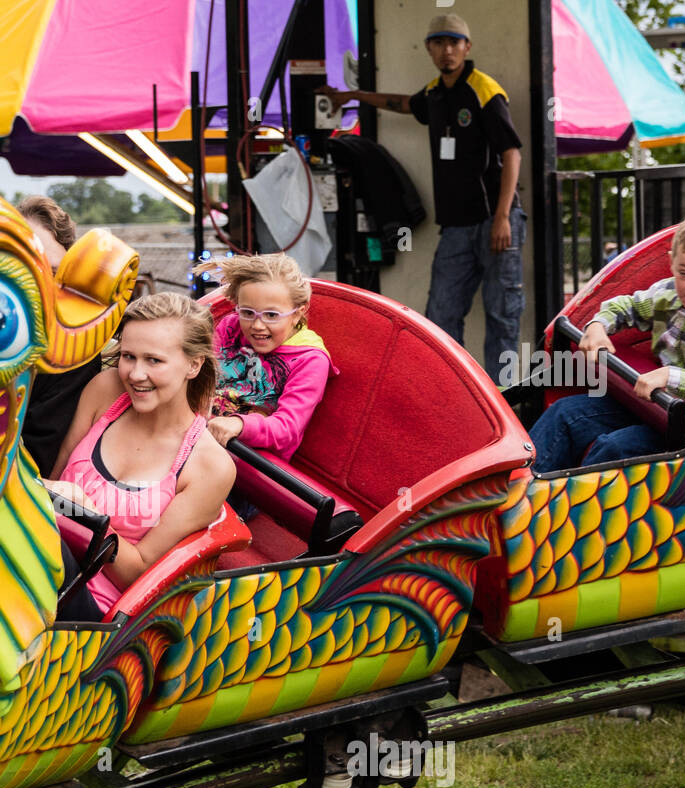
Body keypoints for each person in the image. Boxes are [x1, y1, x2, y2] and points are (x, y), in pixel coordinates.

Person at [323, 12, 525, 384]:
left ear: (467, 47)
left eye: (454, 43)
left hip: (495, 221)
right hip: (456, 226)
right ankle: (455, 393)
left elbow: (512, 152)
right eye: (439, 43)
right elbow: (403, 104)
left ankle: (507, 400)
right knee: (441, 314)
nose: (447, 50)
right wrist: (353, 95)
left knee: (502, 315)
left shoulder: (485, 91)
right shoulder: (434, 94)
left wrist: (502, 217)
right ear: (430, 48)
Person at [45, 293, 236, 618]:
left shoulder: (210, 466)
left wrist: (87, 516)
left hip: (90, 608)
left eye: (154, 361)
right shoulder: (106, 389)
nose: (134, 374)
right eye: (128, 356)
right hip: (38, 555)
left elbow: (140, 572)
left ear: (194, 364)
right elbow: (54, 479)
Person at [530, 208, 685, 472]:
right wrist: (598, 325)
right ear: (671, 263)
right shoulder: (668, 294)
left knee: (616, 447)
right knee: (566, 414)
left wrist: (669, 376)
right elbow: (627, 307)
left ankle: (572, 508)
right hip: (655, 402)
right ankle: (518, 488)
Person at [194, 251, 362, 543]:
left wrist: (240, 425)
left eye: (271, 315)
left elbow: (286, 430)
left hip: (244, 472)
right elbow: (203, 380)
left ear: (298, 311)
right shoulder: (231, 327)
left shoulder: (311, 360)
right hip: (195, 443)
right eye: (248, 312)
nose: (257, 326)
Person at [18, 195, 103, 476]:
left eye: (51, 271)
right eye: (26, 268)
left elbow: (40, 459)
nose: (40, 284)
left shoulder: (74, 353)